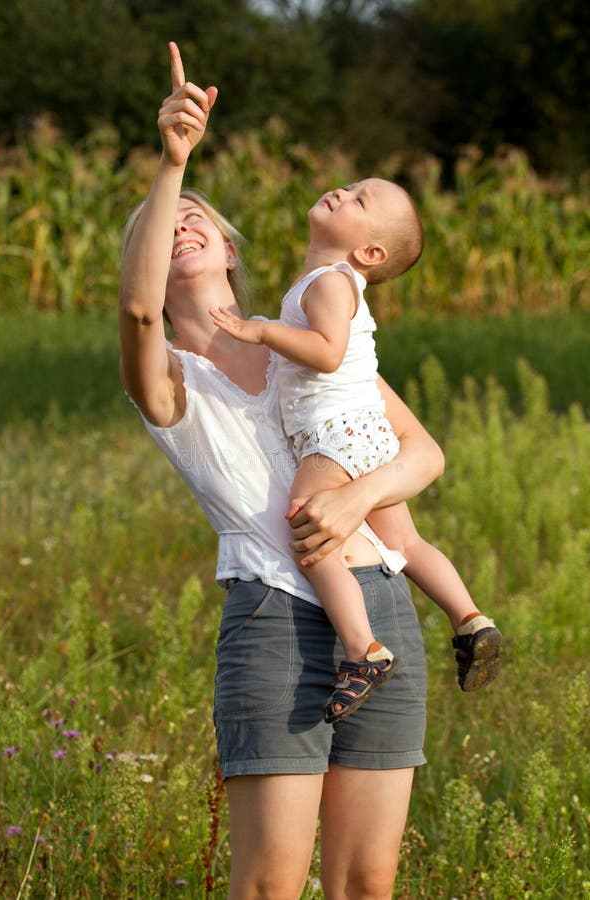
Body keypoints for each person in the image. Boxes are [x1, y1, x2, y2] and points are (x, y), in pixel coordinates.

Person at [119, 41, 444, 899]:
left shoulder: (309, 346)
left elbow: (423, 452)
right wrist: (172, 163)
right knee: (271, 887)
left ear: (229, 250)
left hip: (380, 610)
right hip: (272, 617)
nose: (185, 219)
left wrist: (356, 502)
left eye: (200, 216)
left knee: (367, 884)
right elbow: (139, 305)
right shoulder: (168, 382)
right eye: (166, 221)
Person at [210, 182, 502, 719]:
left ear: (369, 253)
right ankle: (469, 619)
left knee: (308, 535)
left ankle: (362, 650)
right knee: (406, 542)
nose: (342, 191)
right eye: (351, 187)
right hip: (368, 434)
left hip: (334, 435)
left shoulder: (327, 282)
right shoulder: (335, 282)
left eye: (359, 200)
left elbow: (326, 354)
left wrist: (261, 332)